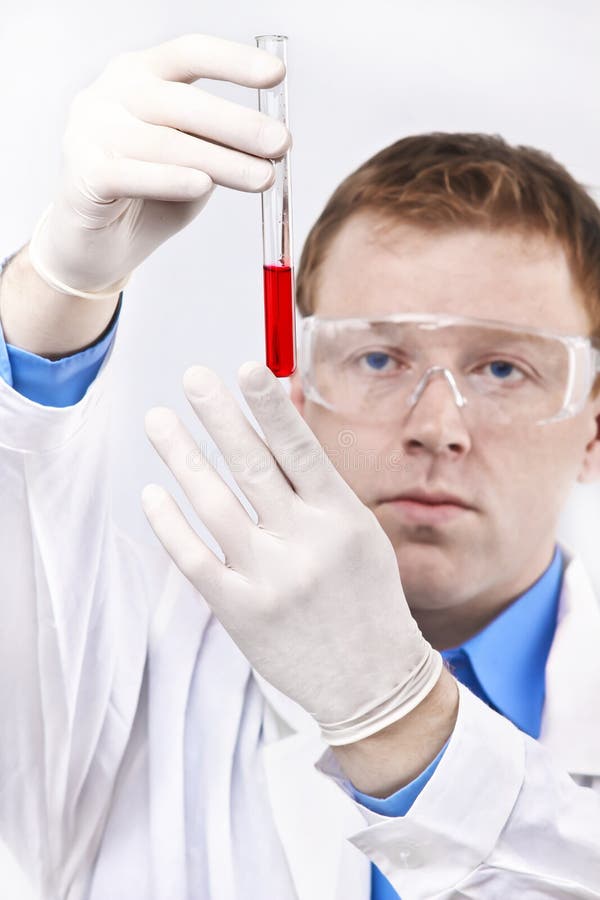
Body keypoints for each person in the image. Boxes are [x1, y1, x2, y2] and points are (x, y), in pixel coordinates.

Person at [0, 31, 599, 900]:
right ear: (302, 392)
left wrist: (397, 721)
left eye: (503, 369)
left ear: (593, 429)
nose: (438, 427)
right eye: (380, 359)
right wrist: (56, 293)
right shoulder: (134, 682)